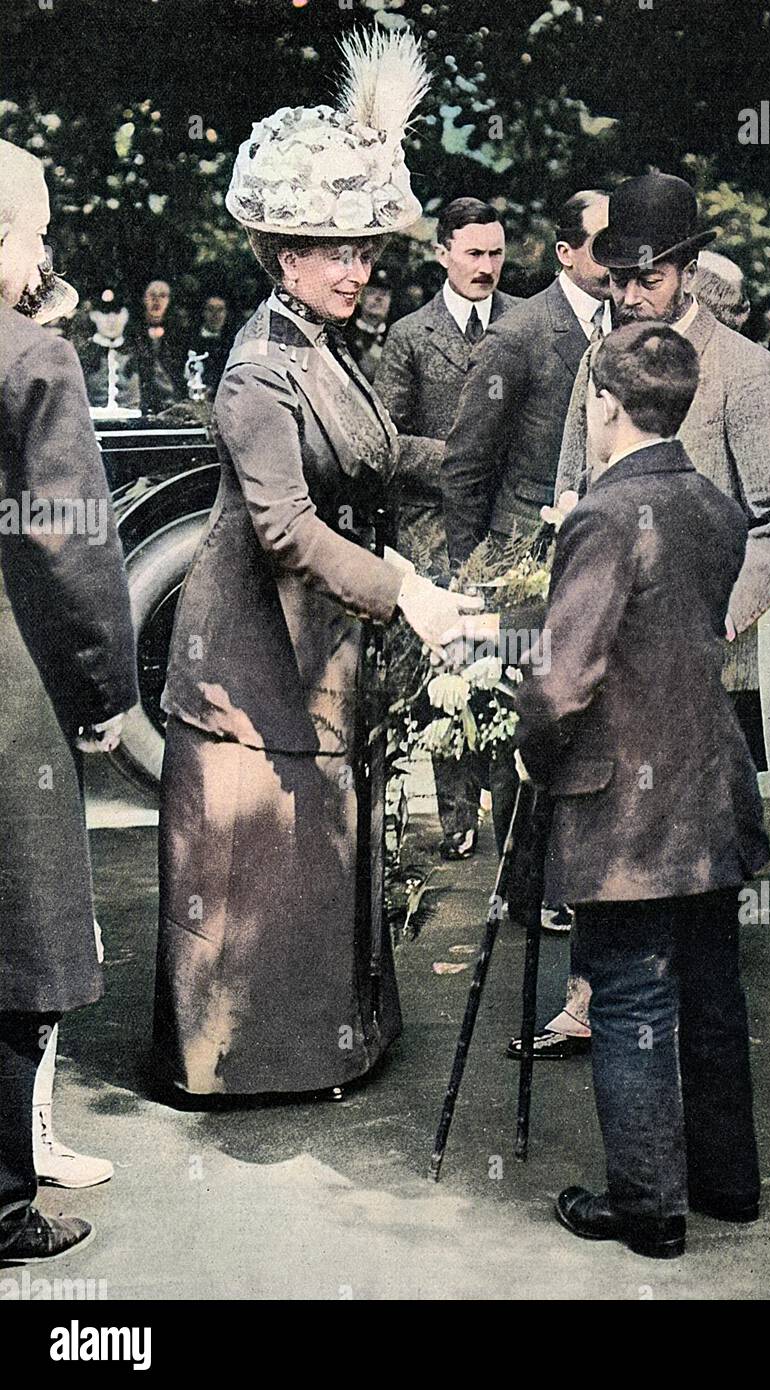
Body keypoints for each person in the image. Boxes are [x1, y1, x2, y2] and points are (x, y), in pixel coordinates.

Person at [153, 29, 481, 1100]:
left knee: (317, 846)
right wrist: (410, 593)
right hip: (248, 654)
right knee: (261, 856)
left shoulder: (325, 349)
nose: (358, 269)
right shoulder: (258, 369)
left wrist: (497, 473)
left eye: (366, 251)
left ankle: (328, 1043)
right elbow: (288, 529)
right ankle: (244, 1065)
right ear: (285, 257)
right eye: (335, 252)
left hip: (318, 648)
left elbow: (380, 456)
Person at [518, 172, 770, 1060]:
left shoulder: (749, 373)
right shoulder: (597, 361)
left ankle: (664, 1006)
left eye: (649, 279)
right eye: (616, 280)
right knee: (603, 809)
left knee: (691, 843)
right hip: (614, 641)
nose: (631, 296)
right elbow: (579, 478)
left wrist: (719, 618)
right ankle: (596, 996)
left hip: (706, 647)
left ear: (687, 272)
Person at [515, 322, 770, 1258]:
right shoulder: (712, 506)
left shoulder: (602, 516)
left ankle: (648, 1210)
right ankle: (727, 1187)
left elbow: (558, 681)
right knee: (709, 991)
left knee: (626, 996)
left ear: (605, 405)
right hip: (709, 790)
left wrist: (532, 753)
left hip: (625, 804)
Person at [0, 138, 138, 1261]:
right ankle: (5, 1202)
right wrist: (102, 689)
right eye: (37, 230)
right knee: (19, 931)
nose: (44, 252)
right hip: (8, 690)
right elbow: (71, 543)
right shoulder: (31, 358)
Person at [441, 189, 612, 882]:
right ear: (566, 253)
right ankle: (525, 888)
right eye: (605, 245)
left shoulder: (629, 324)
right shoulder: (519, 335)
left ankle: (582, 883)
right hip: (526, 562)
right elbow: (465, 464)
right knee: (529, 724)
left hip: (601, 557)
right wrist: (471, 578)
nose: (621, 261)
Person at [376, 197, 522, 859]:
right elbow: (382, 441)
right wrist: (460, 462)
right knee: (449, 670)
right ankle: (459, 820)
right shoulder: (410, 334)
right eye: (473, 254)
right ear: (443, 254)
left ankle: (515, 823)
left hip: (508, 529)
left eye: (495, 254)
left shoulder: (526, 325)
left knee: (511, 666)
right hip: (433, 528)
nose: (486, 267)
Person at [77, 290, 142, 415]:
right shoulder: (81, 355)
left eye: (117, 312)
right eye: (104, 312)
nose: (111, 320)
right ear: (93, 315)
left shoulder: (139, 354)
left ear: (126, 315)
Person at [130, 278, 181, 413]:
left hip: (171, 402)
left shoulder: (178, 333)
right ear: (144, 299)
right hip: (141, 401)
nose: (156, 301)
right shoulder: (132, 331)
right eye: (152, 295)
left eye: (162, 296)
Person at [182, 293, 232, 401]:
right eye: (211, 309)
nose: (215, 315)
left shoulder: (231, 342)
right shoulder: (189, 340)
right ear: (203, 313)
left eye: (220, 310)